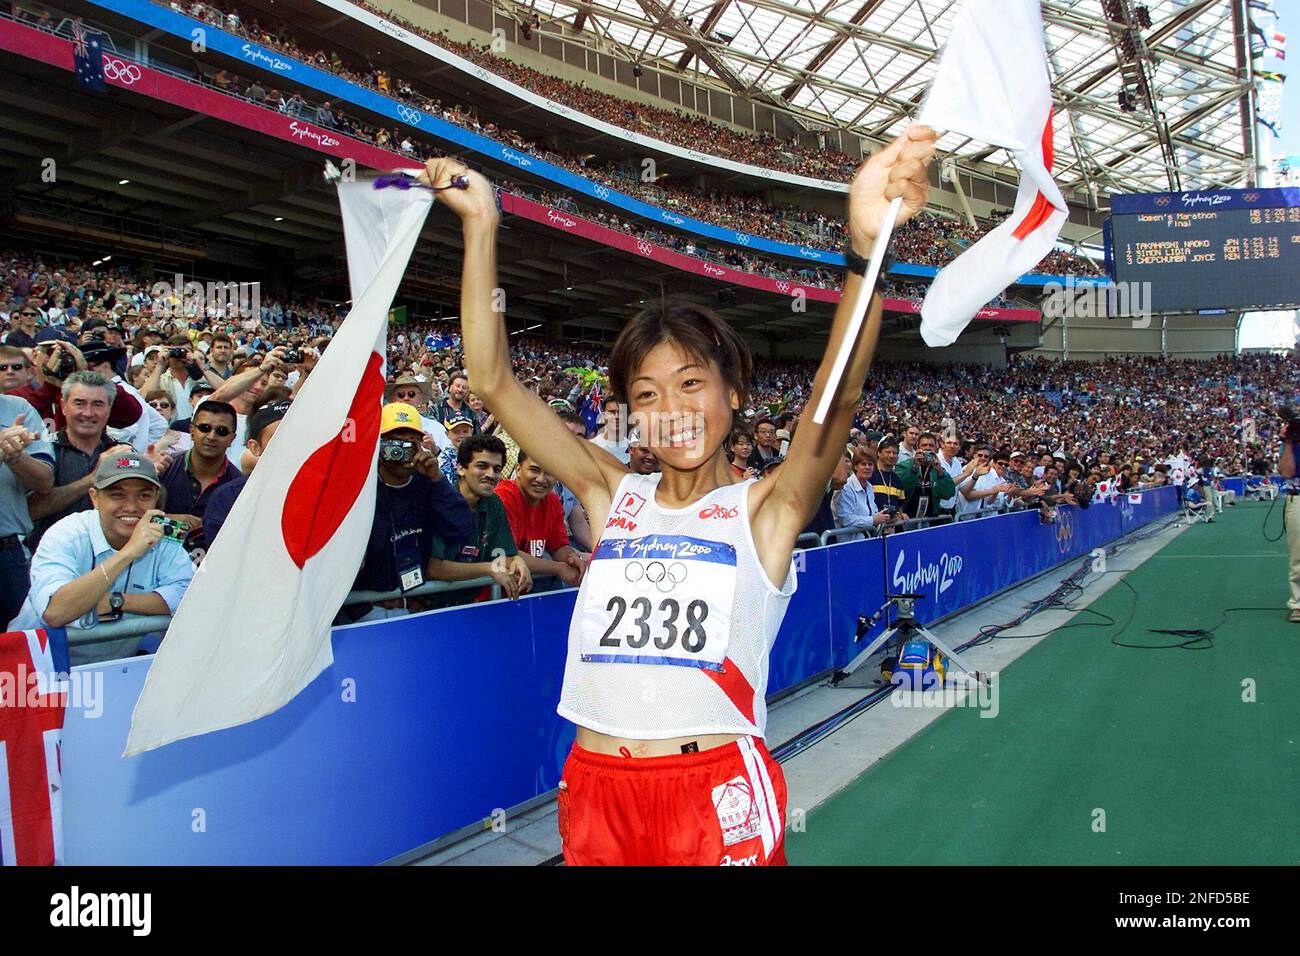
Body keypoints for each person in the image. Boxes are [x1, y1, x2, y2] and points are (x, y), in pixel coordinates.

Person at [422, 120, 936, 865]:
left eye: (693, 383)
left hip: (713, 793)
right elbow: (491, 381)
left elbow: (838, 394)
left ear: (733, 393)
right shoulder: (610, 491)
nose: (675, 409)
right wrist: (482, 227)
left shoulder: (767, 508)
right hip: (597, 790)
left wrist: (864, 250)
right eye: (650, 392)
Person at [9, 454, 194, 664]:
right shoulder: (66, 533)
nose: (131, 507)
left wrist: (116, 601)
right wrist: (128, 553)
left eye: (143, 496)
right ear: (94, 498)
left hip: (113, 666)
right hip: (38, 668)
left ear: (156, 497)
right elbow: (55, 611)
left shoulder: (163, 535)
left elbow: (189, 597)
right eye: (117, 495)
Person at [346, 403, 477, 620]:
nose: (401, 451)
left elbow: (461, 529)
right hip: (368, 606)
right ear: (377, 445)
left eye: (410, 443)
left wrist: (437, 479)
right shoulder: (362, 490)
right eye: (393, 442)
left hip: (417, 600)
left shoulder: (427, 483)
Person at [26, 372, 131, 548]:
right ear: (63, 406)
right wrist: (92, 479)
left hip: (113, 559)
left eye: (97, 404)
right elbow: (30, 510)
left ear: (109, 408)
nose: (88, 413)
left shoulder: (123, 451)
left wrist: (152, 472)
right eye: (79, 403)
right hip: (53, 558)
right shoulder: (43, 451)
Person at [426, 434, 532, 601]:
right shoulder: (439, 503)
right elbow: (434, 569)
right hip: (429, 607)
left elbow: (502, 554)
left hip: (471, 605)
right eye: (482, 466)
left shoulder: (493, 503)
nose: (490, 474)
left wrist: (516, 560)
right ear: (461, 468)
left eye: (497, 469)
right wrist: (489, 568)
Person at [496, 447, 590, 589]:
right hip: (499, 594)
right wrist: (559, 568)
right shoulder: (503, 497)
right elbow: (508, 554)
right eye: (534, 470)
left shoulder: (552, 501)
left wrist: (572, 559)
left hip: (534, 588)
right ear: (518, 469)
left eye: (549, 473)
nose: (541, 479)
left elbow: (558, 547)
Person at [158, 400, 242, 553]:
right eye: (204, 428)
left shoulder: (239, 487)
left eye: (221, 431)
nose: (211, 436)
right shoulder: (164, 468)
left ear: (232, 439)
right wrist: (173, 522)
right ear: (192, 430)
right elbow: (136, 520)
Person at [0, 389, 54, 624]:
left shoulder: (19, 408)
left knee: (19, 650)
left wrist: (16, 457)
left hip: (7, 555)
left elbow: (45, 482)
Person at [1277, 412, 1300, 623]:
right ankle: (1298, 605)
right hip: (1298, 499)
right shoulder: (1291, 445)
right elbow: (1286, 472)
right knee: (1298, 556)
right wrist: (1290, 442)